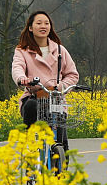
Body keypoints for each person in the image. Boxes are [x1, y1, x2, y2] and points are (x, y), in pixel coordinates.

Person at [11, 11, 79, 150]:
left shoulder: (60, 50)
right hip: (34, 97)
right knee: (31, 106)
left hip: (55, 99)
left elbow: (72, 75)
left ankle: (60, 169)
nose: (43, 26)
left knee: (61, 140)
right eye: (39, 23)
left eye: (46, 23)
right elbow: (17, 67)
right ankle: (30, 150)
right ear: (30, 27)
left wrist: (60, 87)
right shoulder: (22, 50)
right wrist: (22, 79)